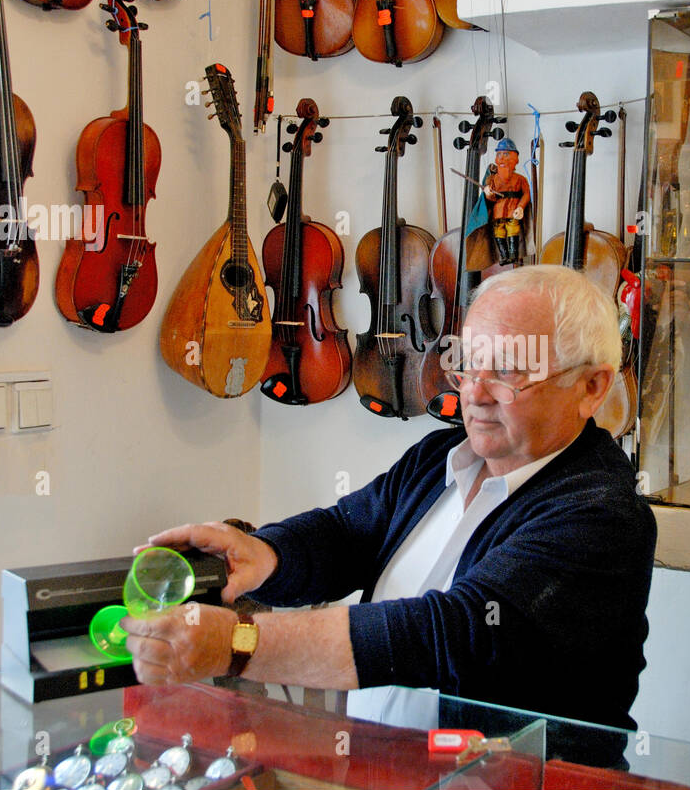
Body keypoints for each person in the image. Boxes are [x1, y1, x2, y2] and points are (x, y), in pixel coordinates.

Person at [123, 265, 657, 763]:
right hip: (387, 767)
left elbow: (451, 633)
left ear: (591, 387)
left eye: (509, 370)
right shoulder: (438, 457)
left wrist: (237, 646)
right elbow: (348, 532)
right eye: (467, 361)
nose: (474, 392)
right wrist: (264, 553)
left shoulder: (603, 514)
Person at [481, 138, 532, 265]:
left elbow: (526, 194)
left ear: (514, 157)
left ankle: (513, 255)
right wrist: (488, 194)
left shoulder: (520, 179)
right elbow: (491, 198)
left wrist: (520, 207)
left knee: (512, 229)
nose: (502, 158)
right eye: (499, 154)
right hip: (498, 211)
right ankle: (504, 256)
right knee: (499, 231)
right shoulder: (493, 179)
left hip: (512, 209)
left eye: (506, 154)